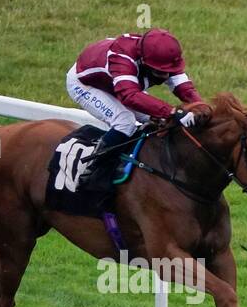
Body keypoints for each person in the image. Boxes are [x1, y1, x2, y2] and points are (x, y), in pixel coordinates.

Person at [66, 28, 211, 189]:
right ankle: (91, 169)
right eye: (160, 72)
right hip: (85, 84)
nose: (165, 77)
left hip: (119, 82)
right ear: (143, 61)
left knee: (160, 119)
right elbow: (128, 95)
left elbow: (184, 88)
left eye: (169, 72)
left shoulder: (162, 57)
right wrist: (173, 111)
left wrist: (202, 107)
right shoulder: (122, 57)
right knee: (124, 121)